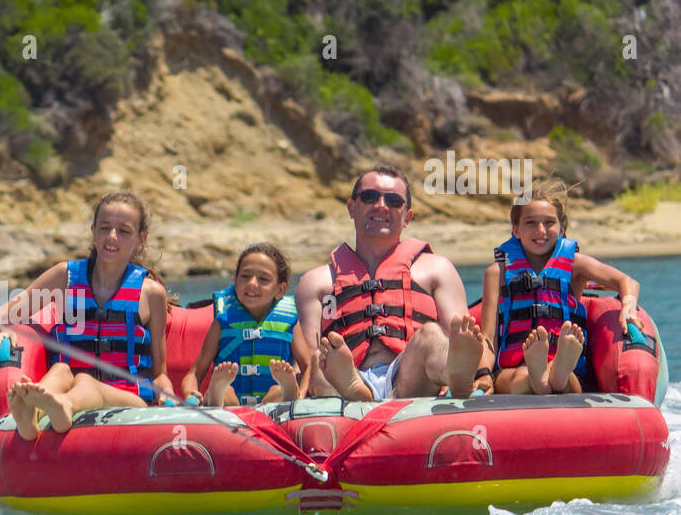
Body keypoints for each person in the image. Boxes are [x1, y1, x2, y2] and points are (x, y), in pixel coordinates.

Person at [0, 191, 172, 440]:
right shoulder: (64, 278)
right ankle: (30, 413)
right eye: (104, 228)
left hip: (129, 399)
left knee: (86, 382)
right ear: (93, 231)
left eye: (123, 231)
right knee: (60, 370)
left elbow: (160, 372)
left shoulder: (151, 294)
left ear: (140, 239)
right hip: (67, 385)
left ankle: (62, 407)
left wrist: (166, 390)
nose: (112, 236)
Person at [295, 164, 485, 401]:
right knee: (321, 359)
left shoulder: (437, 269)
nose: (381, 205)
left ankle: (456, 375)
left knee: (431, 336)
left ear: (407, 217)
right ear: (351, 207)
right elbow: (308, 356)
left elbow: (457, 333)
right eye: (369, 197)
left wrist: (464, 356)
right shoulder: (316, 283)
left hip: (411, 377)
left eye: (394, 201)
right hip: (344, 374)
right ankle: (356, 391)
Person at [479, 181, 642, 394]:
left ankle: (550, 372)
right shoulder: (497, 273)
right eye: (530, 223)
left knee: (558, 376)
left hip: (561, 363)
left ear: (562, 228)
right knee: (517, 377)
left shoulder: (575, 264)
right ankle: (542, 377)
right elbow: (488, 337)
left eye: (549, 222)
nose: (541, 230)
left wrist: (628, 308)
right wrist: (482, 373)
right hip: (516, 365)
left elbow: (627, 282)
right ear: (516, 230)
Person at [181, 243, 311, 405]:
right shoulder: (223, 321)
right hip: (231, 405)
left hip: (270, 404)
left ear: (280, 290)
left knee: (277, 391)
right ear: (235, 281)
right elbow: (194, 373)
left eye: (263, 279)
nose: (252, 283)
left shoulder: (289, 320)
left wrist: (302, 397)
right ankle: (217, 390)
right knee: (226, 392)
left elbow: (308, 366)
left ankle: (290, 391)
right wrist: (191, 395)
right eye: (245, 276)